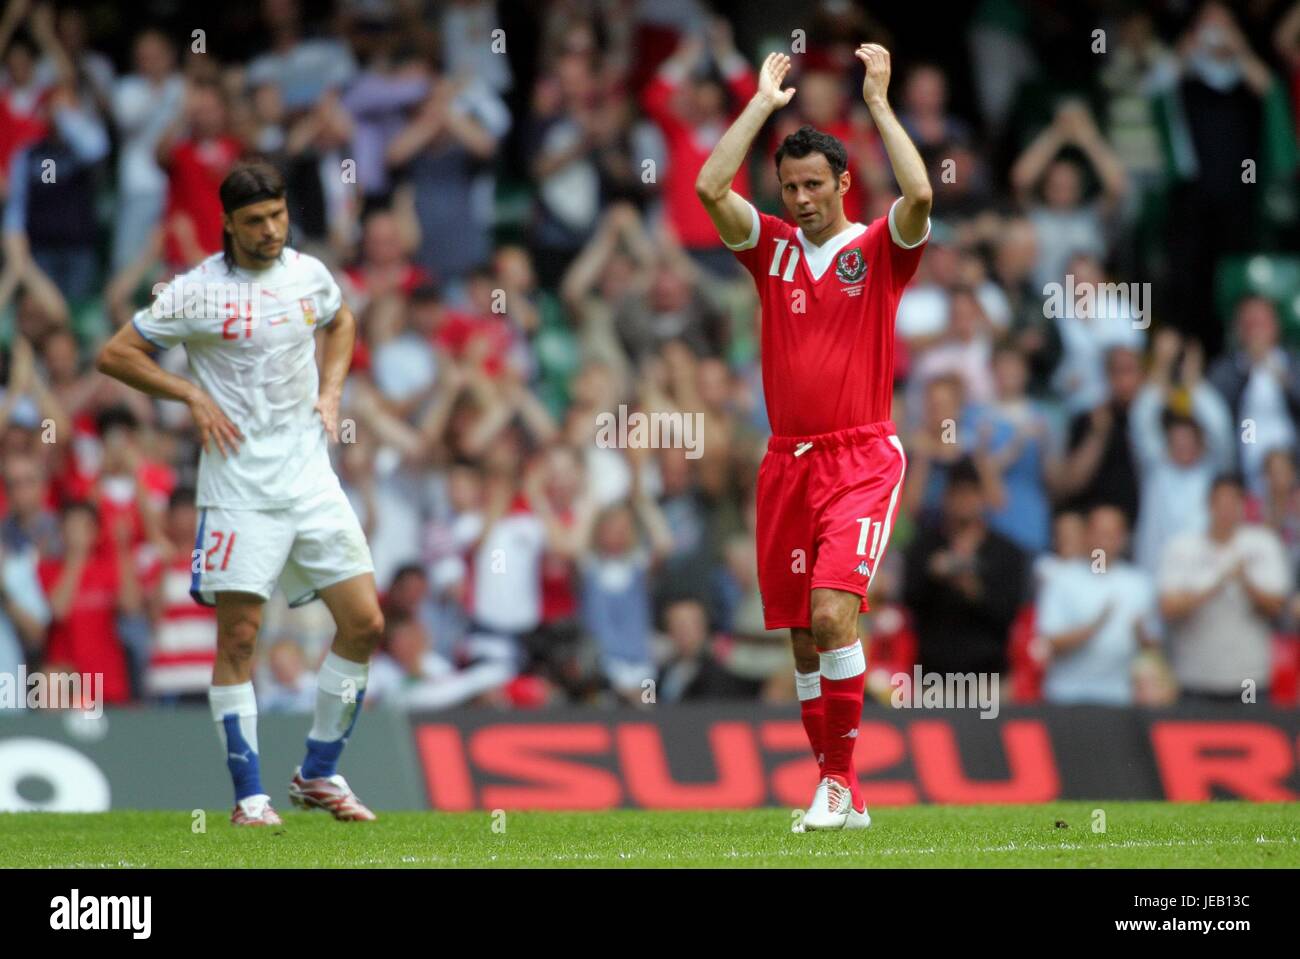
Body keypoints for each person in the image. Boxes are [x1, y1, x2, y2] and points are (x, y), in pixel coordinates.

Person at [94, 160, 384, 827]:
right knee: (240, 637)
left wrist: (333, 388)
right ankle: (249, 796)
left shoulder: (309, 275)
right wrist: (190, 391)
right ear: (227, 222)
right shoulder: (196, 292)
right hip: (239, 487)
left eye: (278, 215)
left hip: (310, 477)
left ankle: (316, 773)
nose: (270, 230)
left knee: (365, 622)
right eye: (255, 221)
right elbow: (116, 354)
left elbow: (340, 323)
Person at [696, 45, 931, 830]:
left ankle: (836, 784)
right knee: (802, 640)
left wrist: (880, 104)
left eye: (811, 186)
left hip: (862, 456)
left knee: (835, 616)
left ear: (842, 185)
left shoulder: (877, 251)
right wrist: (762, 105)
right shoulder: (770, 252)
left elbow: (923, 193)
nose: (798, 199)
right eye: (788, 186)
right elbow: (707, 186)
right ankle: (841, 787)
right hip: (786, 463)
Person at [1158, 475, 1292, 704]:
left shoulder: (1264, 544)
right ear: (1209, 504)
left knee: (1251, 732)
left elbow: (1278, 608)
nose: (1227, 510)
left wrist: (1245, 581)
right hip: (1195, 679)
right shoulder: (1181, 546)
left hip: (1249, 679)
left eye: (1234, 502)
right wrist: (1216, 584)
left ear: (1243, 505)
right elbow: (1167, 608)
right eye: (1221, 503)